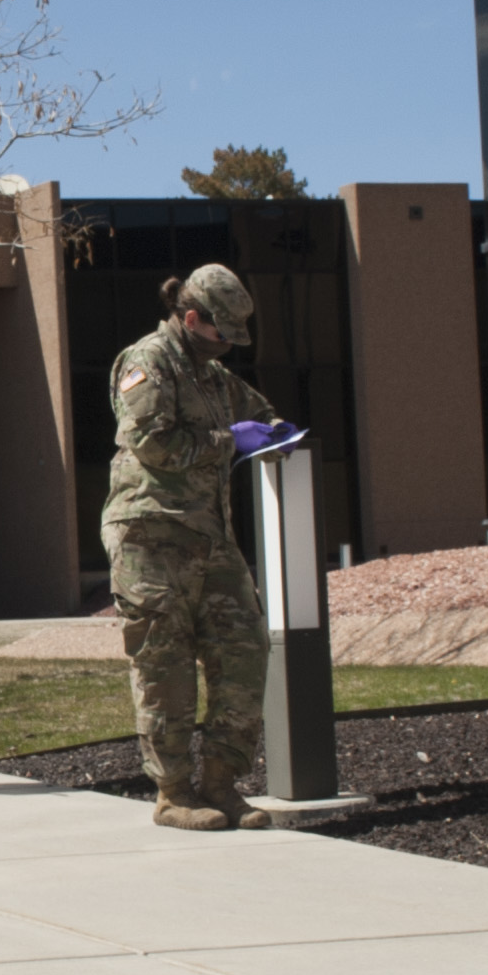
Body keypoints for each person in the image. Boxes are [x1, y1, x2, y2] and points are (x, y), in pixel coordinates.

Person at [102, 264, 290, 832]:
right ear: (190, 319)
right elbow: (152, 443)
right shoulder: (148, 362)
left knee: (244, 652)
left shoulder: (213, 374)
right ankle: (174, 793)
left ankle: (221, 784)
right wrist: (227, 442)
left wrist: (274, 428)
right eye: (221, 334)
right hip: (150, 536)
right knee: (166, 664)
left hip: (210, 536)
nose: (227, 346)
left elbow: (258, 410)